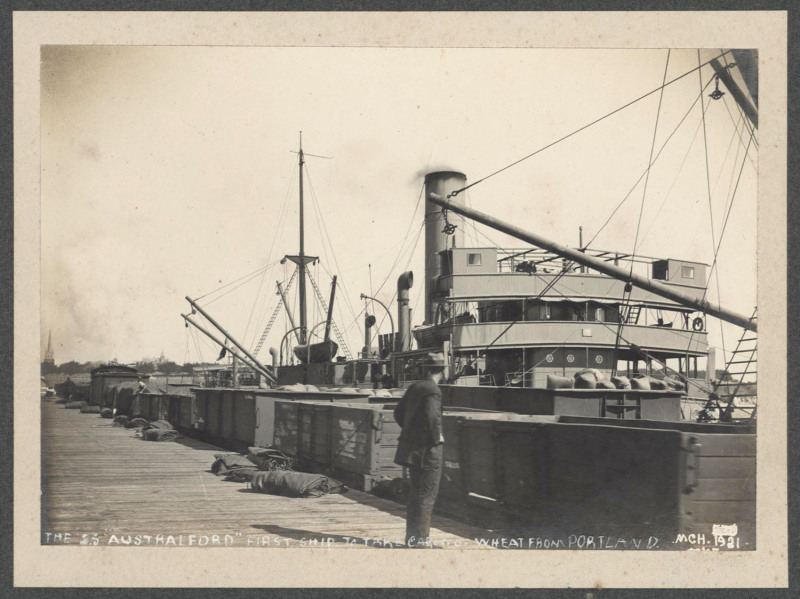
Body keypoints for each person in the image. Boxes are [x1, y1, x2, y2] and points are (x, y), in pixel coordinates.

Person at [393, 352, 445, 548]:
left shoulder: (415, 387)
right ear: (442, 371)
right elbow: (433, 418)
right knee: (428, 494)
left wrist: (412, 431)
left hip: (412, 450)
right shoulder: (434, 390)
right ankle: (422, 539)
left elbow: (398, 413)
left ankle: (412, 538)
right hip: (428, 451)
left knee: (415, 494)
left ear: (426, 369)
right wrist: (436, 437)